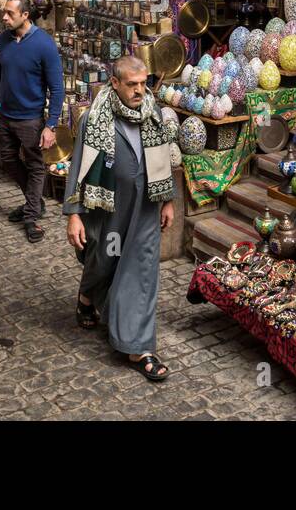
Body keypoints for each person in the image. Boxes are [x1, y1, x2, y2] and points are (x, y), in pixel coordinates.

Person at [64, 55, 178, 382]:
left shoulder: (152, 113)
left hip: (145, 205)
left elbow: (159, 159)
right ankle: (87, 297)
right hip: (107, 205)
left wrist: (167, 200)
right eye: (132, 84)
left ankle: (138, 346)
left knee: (141, 269)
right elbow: (79, 169)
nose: (140, 90)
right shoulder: (95, 119)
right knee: (104, 259)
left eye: (143, 83)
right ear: (115, 83)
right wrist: (75, 215)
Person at [0, 0, 63, 243]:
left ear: (25, 15)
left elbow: (57, 88)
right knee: (7, 160)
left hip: (31, 119)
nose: (5, 18)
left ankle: (31, 217)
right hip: (6, 116)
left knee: (35, 166)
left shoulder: (44, 44)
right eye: (4, 12)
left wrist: (50, 125)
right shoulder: (4, 39)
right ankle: (34, 201)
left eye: (10, 14)